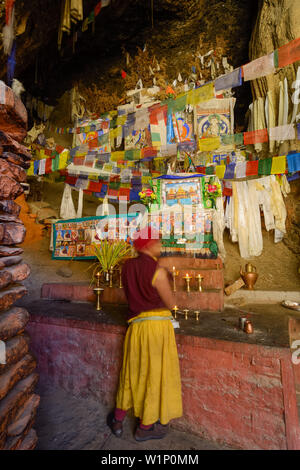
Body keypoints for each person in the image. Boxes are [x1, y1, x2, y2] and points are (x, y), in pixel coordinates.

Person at [107, 226, 182, 442]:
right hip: (156, 330)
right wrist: (176, 301)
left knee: (130, 373)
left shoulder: (127, 266)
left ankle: (118, 420)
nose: (160, 246)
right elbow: (170, 302)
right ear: (149, 244)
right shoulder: (157, 270)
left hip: (135, 328)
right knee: (153, 376)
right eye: (157, 242)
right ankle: (145, 427)